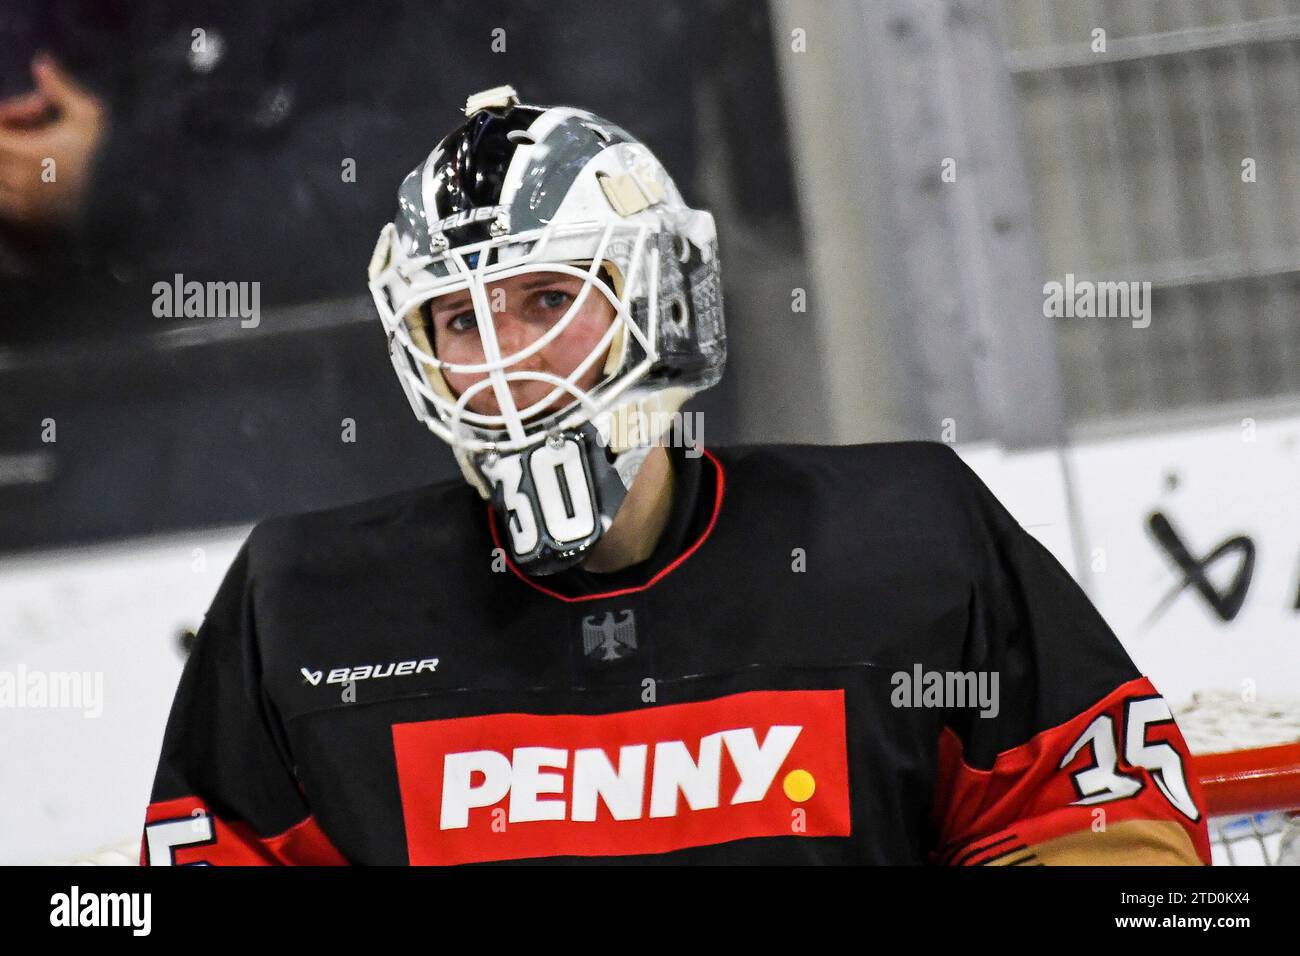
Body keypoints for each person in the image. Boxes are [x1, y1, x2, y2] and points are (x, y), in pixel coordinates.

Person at [142, 87, 1211, 865]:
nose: (505, 359)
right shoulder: (306, 607)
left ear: (662, 297)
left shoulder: (903, 540)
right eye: (459, 319)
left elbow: (1116, 838)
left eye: (548, 299)